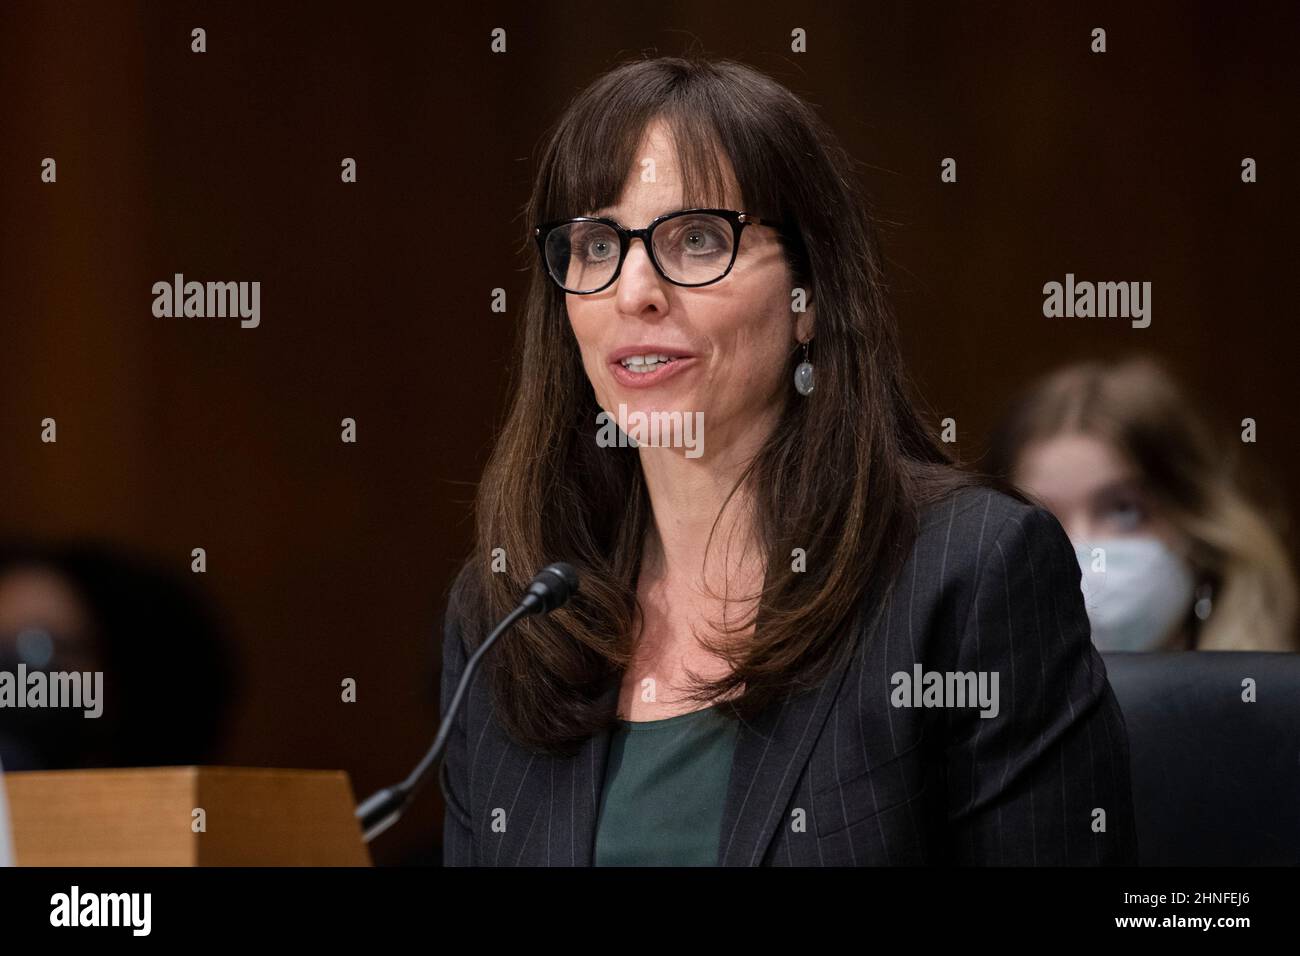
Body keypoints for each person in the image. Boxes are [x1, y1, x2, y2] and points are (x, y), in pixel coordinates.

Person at [438, 55, 1138, 866]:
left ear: (810, 299)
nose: (633, 292)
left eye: (694, 239)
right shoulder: (510, 617)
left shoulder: (968, 575)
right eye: (596, 246)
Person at [987, 356, 1298, 653]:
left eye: (1124, 511)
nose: (1080, 551)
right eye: (1038, 517)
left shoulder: (1275, 704)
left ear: (1200, 535)